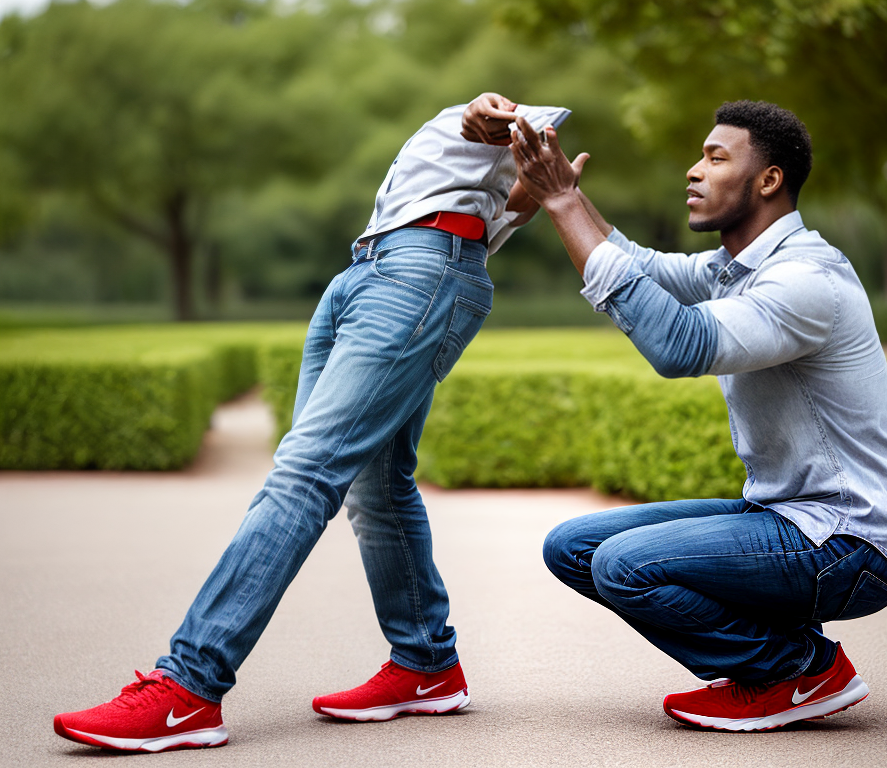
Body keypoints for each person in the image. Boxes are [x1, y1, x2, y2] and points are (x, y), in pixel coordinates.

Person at [53, 93, 573, 753]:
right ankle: (426, 664)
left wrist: (487, 120)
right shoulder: (457, 155)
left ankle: (188, 687)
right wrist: (526, 189)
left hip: (417, 274)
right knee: (375, 486)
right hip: (369, 269)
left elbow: (506, 119)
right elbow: (499, 195)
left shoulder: (480, 118)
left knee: (303, 475)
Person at [509, 100, 887, 732]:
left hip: (853, 540)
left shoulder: (804, 280)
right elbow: (640, 266)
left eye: (715, 157)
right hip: (786, 515)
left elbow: (679, 346)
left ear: (769, 180)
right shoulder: (734, 268)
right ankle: (785, 656)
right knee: (573, 548)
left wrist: (564, 203)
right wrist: (563, 193)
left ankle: (796, 670)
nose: (694, 170)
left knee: (623, 566)